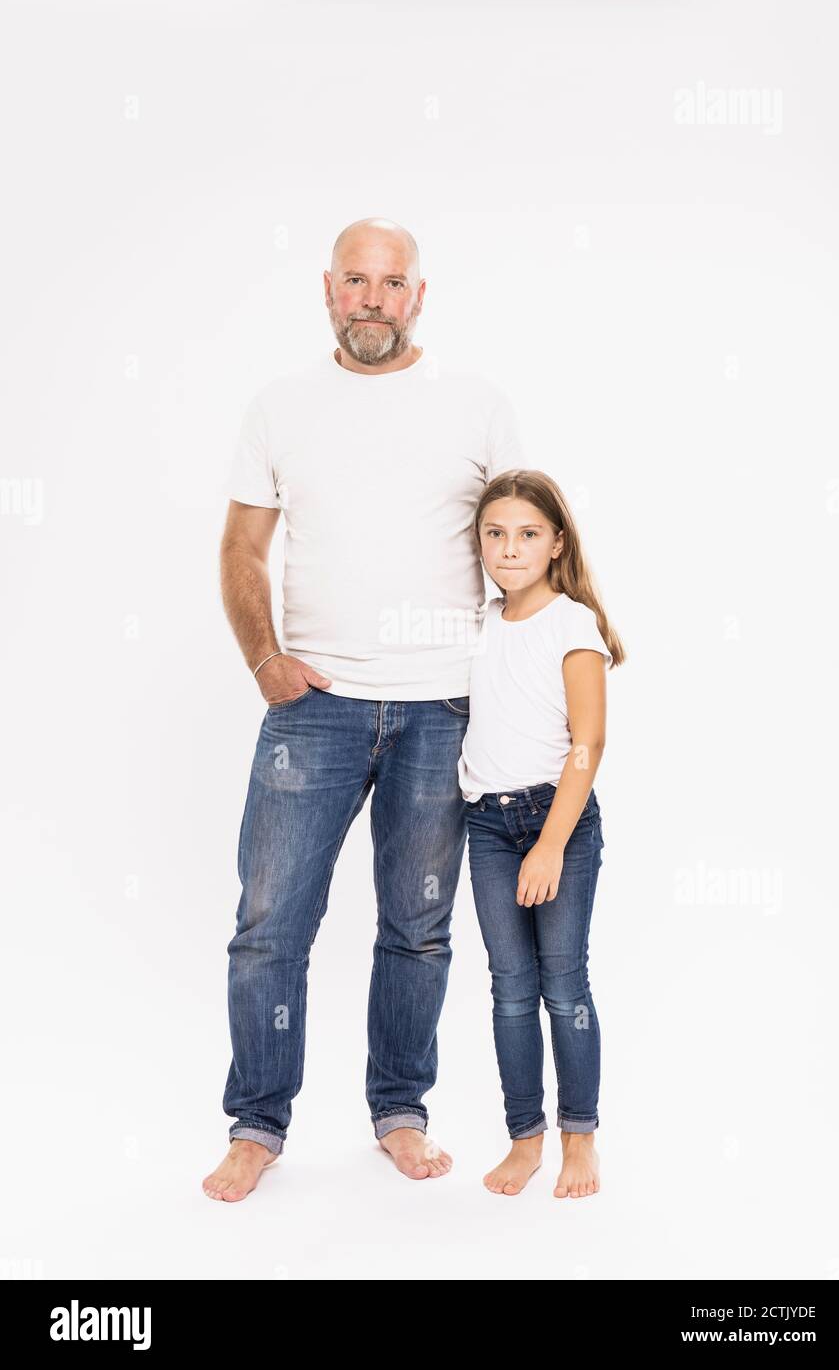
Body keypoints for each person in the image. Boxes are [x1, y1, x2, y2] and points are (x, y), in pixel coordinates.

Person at [202, 217, 527, 1201]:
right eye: (356, 280)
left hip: (440, 707)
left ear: (417, 297)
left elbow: (521, 547)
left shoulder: (474, 405)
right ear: (328, 290)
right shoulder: (280, 406)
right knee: (268, 924)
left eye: (392, 282)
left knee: (419, 928)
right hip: (315, 709)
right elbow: (240, 548)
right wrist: (264, 657)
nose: (372, 298)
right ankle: (256, 1123)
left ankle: (398, 1108)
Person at [457, 469, 625, 1198]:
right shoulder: (476, 623)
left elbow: (588, 743)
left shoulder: (571, 622)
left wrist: (552, 843)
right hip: (489, 825)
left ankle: (578, 1139)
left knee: (564, 983)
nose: (509, 548)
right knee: (510, 989)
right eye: (495, 534)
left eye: (527, 534)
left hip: (557, 819)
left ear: (556, 542)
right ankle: (524, 1139)